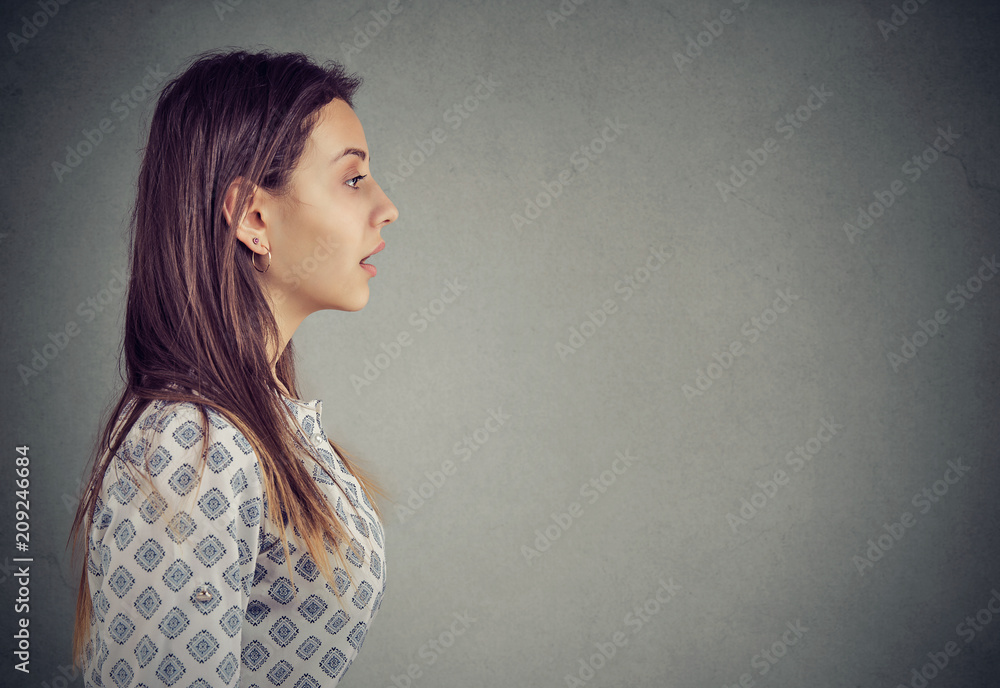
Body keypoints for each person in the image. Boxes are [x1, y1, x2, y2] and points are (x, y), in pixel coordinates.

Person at [67, 48, 399, 686]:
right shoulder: (188, 440)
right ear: (253, 217)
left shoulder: (255, 425)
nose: (385, 208)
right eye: (353, 179)